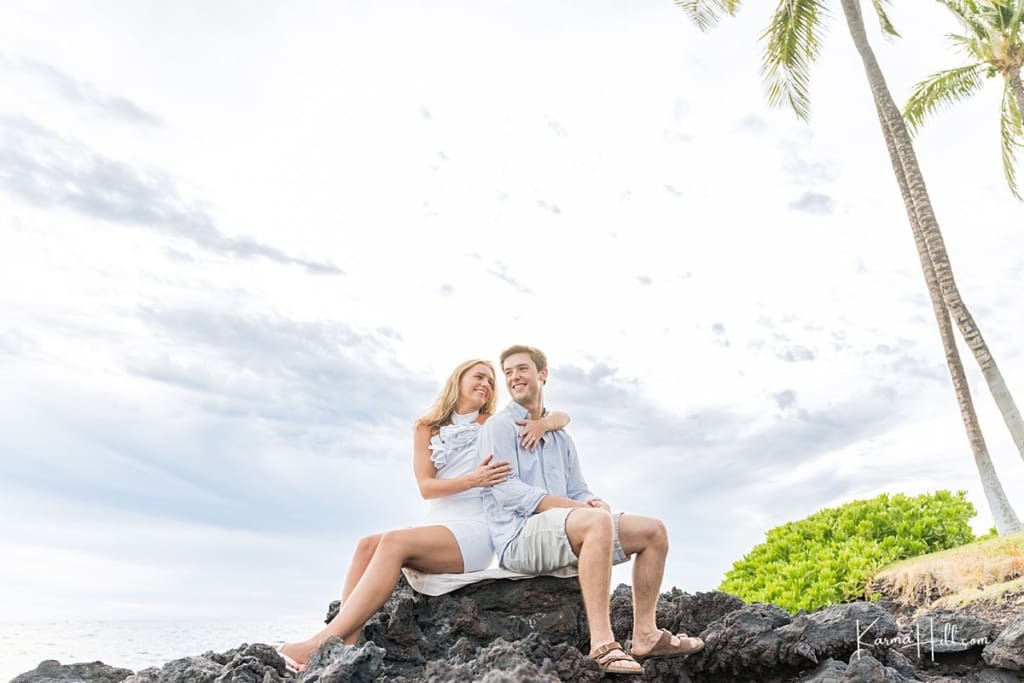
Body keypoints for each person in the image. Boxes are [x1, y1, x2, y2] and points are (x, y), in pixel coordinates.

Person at [276, 358, 570, 671]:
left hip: (474, 531)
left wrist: (542, 424)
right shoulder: (426, 427)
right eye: (479, 377)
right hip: (438, 523)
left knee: (393, 542)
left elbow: (562, 416)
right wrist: (474, 478)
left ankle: (318, 643)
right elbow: (427, 487)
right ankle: (348, 641)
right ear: (458, 380)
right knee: (366, 544)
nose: (486, 385)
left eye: (490, 382)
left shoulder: (495, 423)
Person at [478, 345, 704, 676]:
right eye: (508, 372)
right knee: (596, 523)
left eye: (522, 369)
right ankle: (601, 645)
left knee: (653, 531)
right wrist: (581, 510)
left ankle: (645, 635)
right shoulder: (497, 428)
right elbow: (505, 491)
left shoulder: (561, 439)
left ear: (542, 374)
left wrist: (597, 503)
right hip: (518, 536)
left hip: (567, 527)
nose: (514, 377)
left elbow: (578, 490)